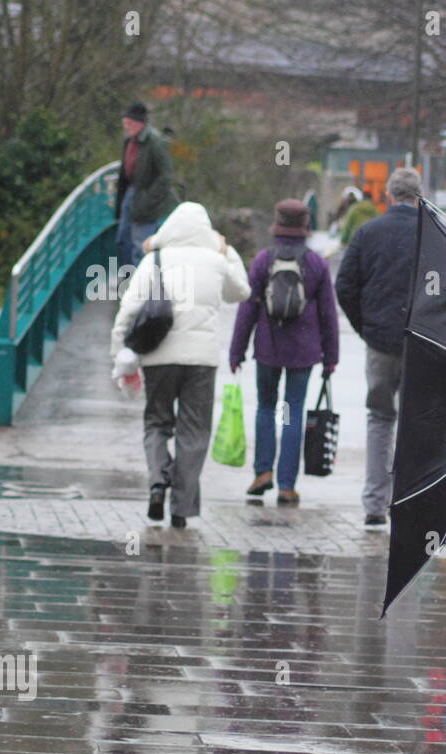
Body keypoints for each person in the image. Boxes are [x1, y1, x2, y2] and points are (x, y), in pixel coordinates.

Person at [111, 202, 250, 528]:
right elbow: (241, 292)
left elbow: (128, 310)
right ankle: (182, 509)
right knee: (194, 432)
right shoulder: (216, 262)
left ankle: (158, 481)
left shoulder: (154, 260)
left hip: (158, 357)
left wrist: (119, 353)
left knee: (157, 422)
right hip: (201, 361)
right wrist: (227, 251)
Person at [229, 199, 339, 506]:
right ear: (304, 227)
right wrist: (331, 358)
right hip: (303, 353)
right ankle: (286, 486)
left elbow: (247, 309)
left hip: (267, 348)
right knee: (292, 414)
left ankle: (262, 472)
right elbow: (328, 315)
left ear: (277, 225)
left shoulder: (263, 260)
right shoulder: (316, 264)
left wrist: (236, 351)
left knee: (266, 408)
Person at [334, 168, 422, 527]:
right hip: (421, 344)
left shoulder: (367, 233)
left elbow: (344, 286)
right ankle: (411, 500)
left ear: (388, 195)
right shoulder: (433, 237)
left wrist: (365, 327)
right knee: (417, 422)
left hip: (380, 343)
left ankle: (374, 504)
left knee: (380, 419)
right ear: (420, 197)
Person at [115, 101, 178, 270]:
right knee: (122, 240)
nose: (125, 127)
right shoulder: (130, 140)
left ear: (139, 123)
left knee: (140, 246)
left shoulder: (155, 142)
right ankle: (128, 282)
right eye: (124, 123)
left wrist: (148, 200)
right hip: (131, 193)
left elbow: (166, 176)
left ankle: (142, 288)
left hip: (146, 198)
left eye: (128, 123)